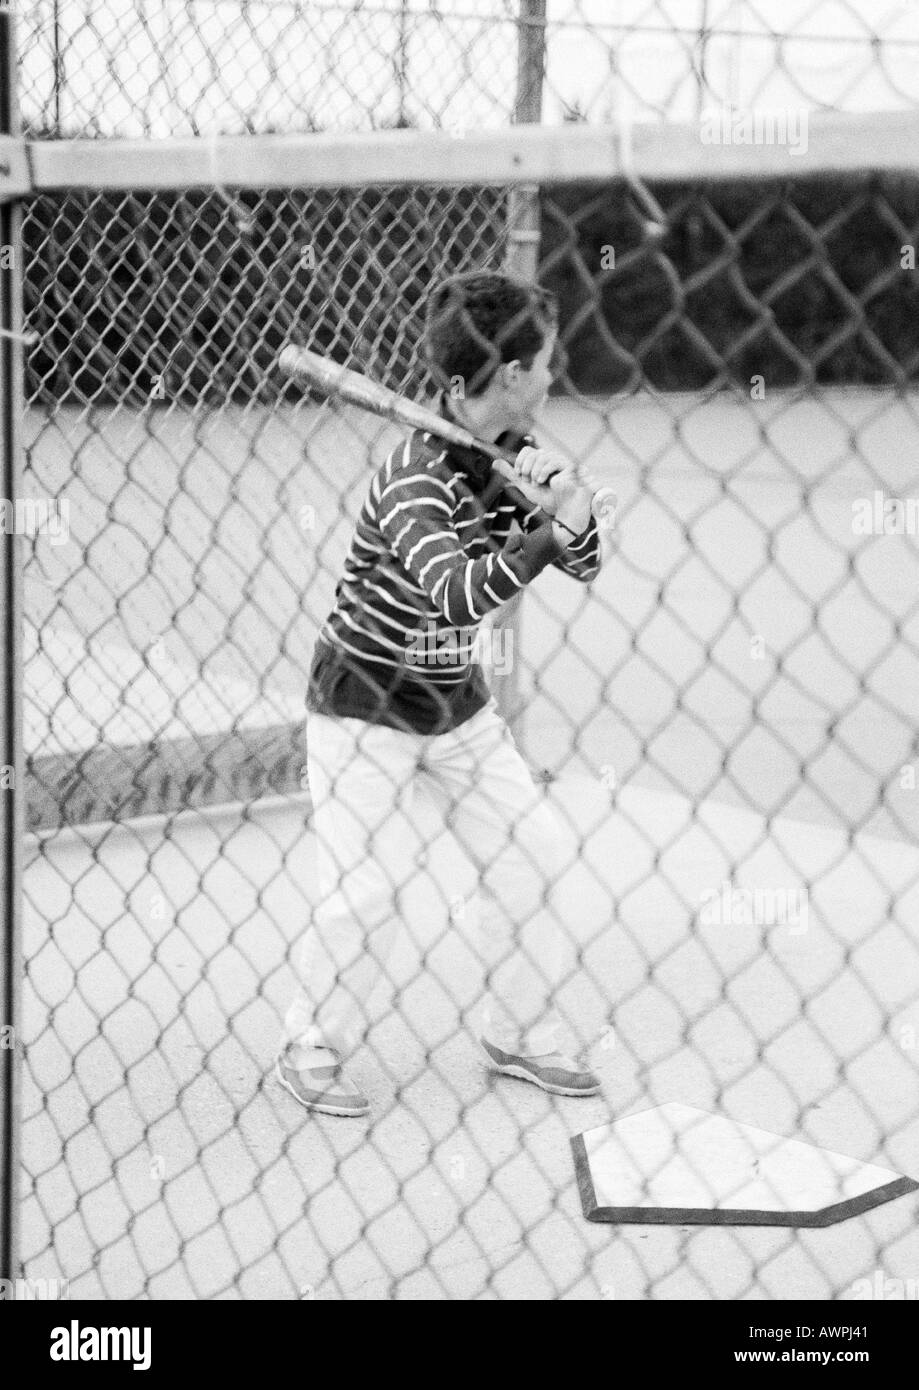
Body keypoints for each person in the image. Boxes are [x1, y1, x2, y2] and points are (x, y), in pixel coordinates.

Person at [277, 270, 605, 1116]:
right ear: (507, 378)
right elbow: (459, 595)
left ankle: (516, 1033)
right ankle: (312, 1043)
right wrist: (535, 536)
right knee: (367, 887)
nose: (552, 374)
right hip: (361, 704)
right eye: (543, 364)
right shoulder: (417, 475)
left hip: (452, 701)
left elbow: (586, 562)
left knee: (531, 852)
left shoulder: (505, 459)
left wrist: (567, 511)